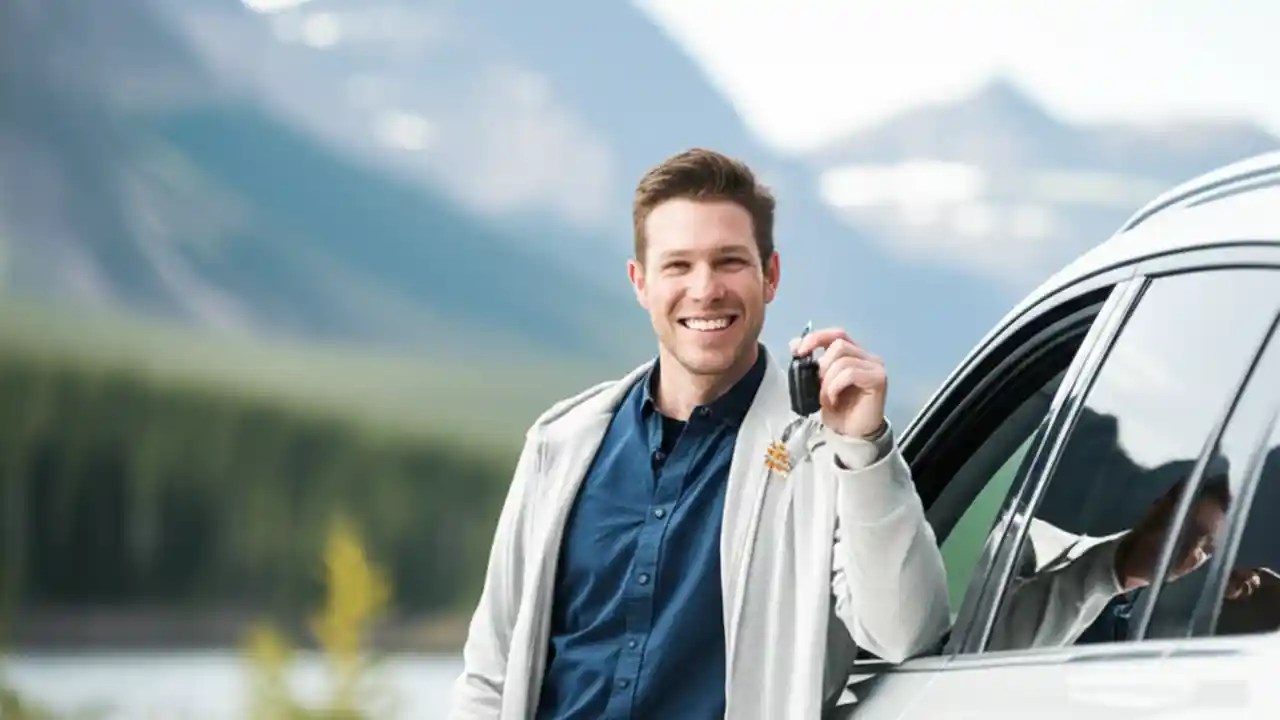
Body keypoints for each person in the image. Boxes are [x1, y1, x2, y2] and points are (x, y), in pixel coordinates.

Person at [448, 148, 950, 719]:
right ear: (640, 282)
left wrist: (864, 449)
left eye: (729, 261)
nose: (705, 289)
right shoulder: (560, 444)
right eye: (678, 265)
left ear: (771, 276)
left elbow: (904, 629)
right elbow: (490, 673)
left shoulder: (825, 454)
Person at [990, 474, 1265, 651]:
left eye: (1207, 547)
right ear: (1159, 505)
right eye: (1186, 528)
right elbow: (991, 660)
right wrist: (1120, 570)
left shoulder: (1164, 638)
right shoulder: (1024, 547)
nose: (1188, 549)